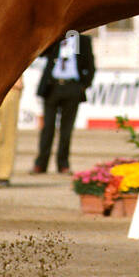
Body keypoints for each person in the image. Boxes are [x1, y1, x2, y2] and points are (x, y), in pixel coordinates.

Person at [33, 31, 95, 175]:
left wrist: (82, 86)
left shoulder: (82, 42)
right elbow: (41, 53)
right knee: (47, 128)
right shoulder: (54, 38)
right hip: (52, 87)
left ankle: (63, 164)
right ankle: (41, 163)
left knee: (66, 129)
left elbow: (90, 66)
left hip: (72, 87)